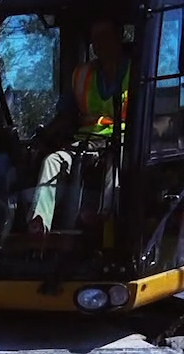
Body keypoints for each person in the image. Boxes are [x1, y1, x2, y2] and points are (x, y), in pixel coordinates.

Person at [28, 16, 130, 234]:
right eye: (94, 39)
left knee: (117, 163)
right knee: (52, 161)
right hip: (85, 143)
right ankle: (39, 223)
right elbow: (65, 115)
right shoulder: (83, 75)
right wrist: (43, 137)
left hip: (121, 143)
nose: (98, 45)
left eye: (104, 37)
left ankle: (104, 218)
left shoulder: (138, 72)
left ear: (120, 37)